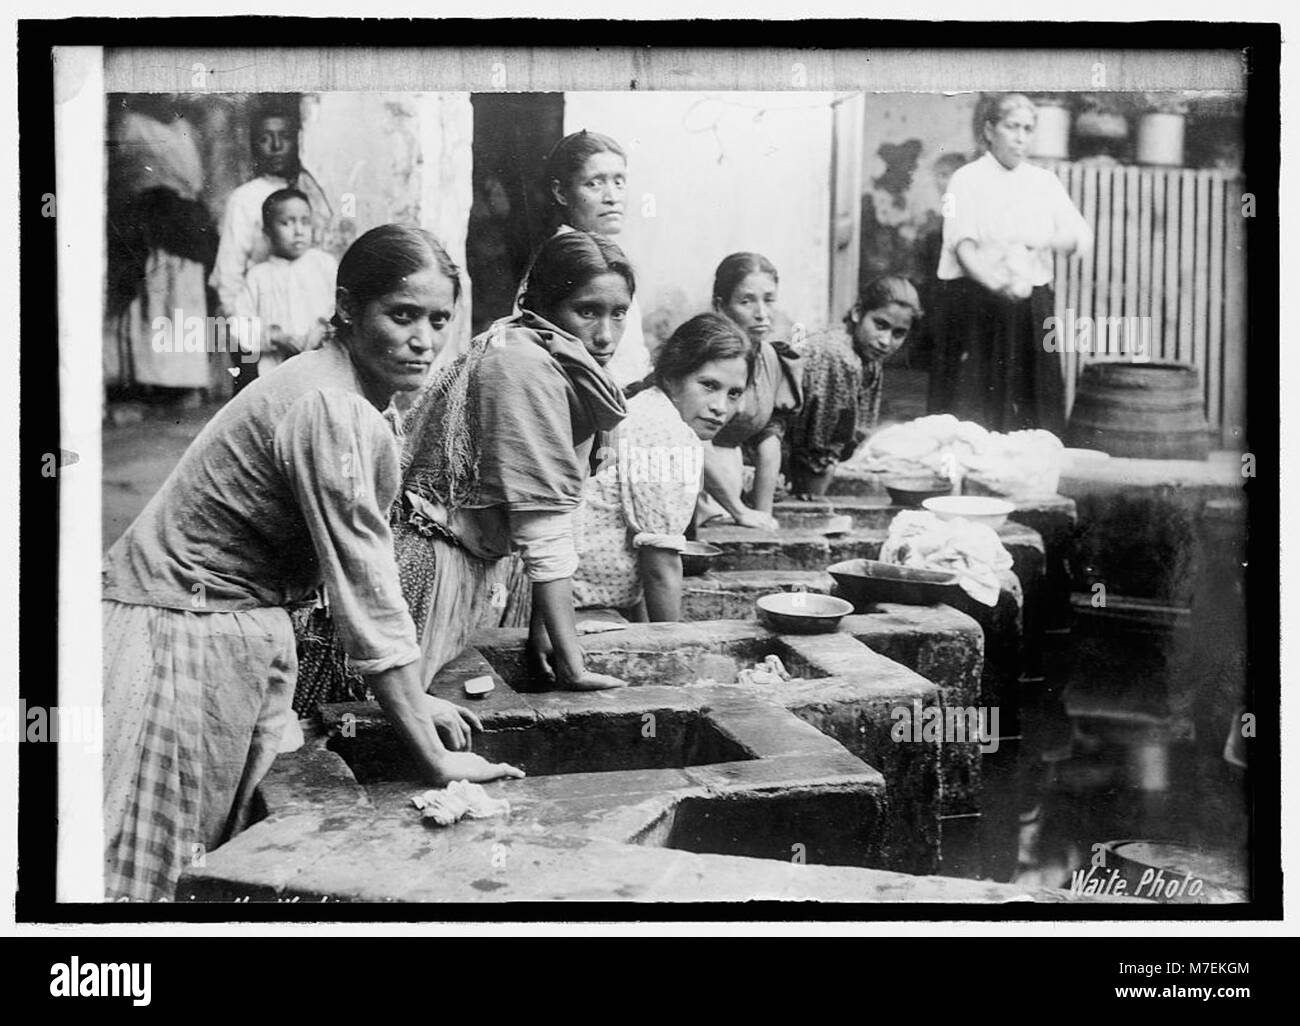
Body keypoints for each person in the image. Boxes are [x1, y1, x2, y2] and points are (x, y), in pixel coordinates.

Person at [102, 225, 524, 901]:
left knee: (220, 848)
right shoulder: (331, 407)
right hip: (184, 630)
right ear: (350, 308)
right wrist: (434, 754)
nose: (423, 339)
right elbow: (367, 589)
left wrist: (414, 703)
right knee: (160, 865)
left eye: (439, 320)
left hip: (221, 621)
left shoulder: (341, 386)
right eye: (402, 315)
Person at [394, 229, 633, 693]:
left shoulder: (562, 356)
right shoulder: (521, 365)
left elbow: (561, 505)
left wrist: (543, 630)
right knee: (403, 712)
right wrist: (573, 665)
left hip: (470, 561)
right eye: (586, 311)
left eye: (618, 313)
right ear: (542, 304)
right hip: (431, 564)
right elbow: (544, 528)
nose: (605, 334)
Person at [927, 93, 1092, 434]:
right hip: (976, 304)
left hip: (1030, 306)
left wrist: (1045, 240)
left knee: (1033, 406)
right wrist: (995, 284)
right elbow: (963, 246)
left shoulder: (1044, 182)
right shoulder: (966, 179)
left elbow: (1079, 237)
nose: (1021, 137)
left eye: (1028, 129)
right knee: (971, 409)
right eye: (1012, 126)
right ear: (989, 130)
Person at [574, 313, 754, 620]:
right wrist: (674, 647)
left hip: (584, 597)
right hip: (580, 607)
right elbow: (659, 567)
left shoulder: (652, 408)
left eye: (733, 393)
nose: (721, 407)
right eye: (709, 385)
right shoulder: (665, 434)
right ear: (672, 377)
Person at [515, 130, 651, 389]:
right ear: (561, 193)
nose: (612, 197)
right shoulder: (558, 264)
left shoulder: (610, 261)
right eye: (595, 183)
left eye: (619, 181)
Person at [786, 276, 922, 498]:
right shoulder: (838, 355)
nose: (886, 341)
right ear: (858, 312)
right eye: (880, 325)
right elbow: (817, 450)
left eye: (898, 333)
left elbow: (853, 434)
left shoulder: (868, 358)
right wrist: (813, 504)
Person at [703, 252, 803, 527]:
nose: (761, 313)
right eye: (747, 301)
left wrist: (763, 515)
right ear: (721, 306)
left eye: (769, 300)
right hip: (693, 480)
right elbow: (691, 442)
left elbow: (768, 441)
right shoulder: (704, 358)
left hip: (730, 481)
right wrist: (740, 512)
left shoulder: (770, 358)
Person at [233, 188, 338, 381]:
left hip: (323, 364)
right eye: (286, 223)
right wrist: (275, 338)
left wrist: (323, 329)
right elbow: (239, 325)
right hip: (276, 371)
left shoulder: (324, 265)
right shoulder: (258, 276)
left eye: (305, 221)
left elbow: (339, 306)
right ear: (267, 232)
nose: (298, 231)